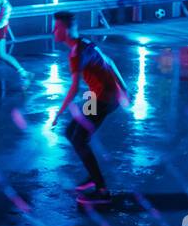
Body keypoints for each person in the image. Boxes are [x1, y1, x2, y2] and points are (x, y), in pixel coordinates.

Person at [51, 11, 129, 205]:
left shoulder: (76, 53)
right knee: (71, 132)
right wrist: (124, 87)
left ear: (66, 30)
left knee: (79, 138)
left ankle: (102, 190)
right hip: (97, 95)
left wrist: (58, 113)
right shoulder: (85, 42)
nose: (53, 30)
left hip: (105, 98)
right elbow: (109, 62)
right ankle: (93, 177)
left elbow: (75, 87)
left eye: (57, 27)